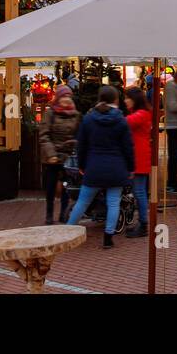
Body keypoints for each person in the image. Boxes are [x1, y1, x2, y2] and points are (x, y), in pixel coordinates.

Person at [67, 86, 135, 250]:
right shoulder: (121, 120)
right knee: (113, 203)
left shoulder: (89, 119)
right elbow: (128, 147)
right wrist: (131, 167)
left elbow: (82, 145)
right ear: (116, 100)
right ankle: (108, 237)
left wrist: (82, 165)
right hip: (116, 166)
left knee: (83, 202)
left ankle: (67, 232)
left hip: (94, 166)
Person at [38, 84, 80, 224]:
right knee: (50, 186)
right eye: (64, 96)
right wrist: (51, 154)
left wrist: (75, 143)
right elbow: (44, 135)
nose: (66, 99)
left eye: (68, 96)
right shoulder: (50, 113)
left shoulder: (75, 114)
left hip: (68, 156)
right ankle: (49, 214)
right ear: (58, 98)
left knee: (67, 187)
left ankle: (63, 213)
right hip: (52, 157)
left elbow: (79, 133)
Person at [123, 87, 152, 237]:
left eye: (127, 98)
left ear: (134, 99)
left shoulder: (141, 114)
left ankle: (143, 224)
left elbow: (123, 123)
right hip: (138, 156)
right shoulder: (141, 113)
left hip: (138, 157)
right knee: (139, 191)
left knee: (139, 192)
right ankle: (141, 222)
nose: (125, 101)